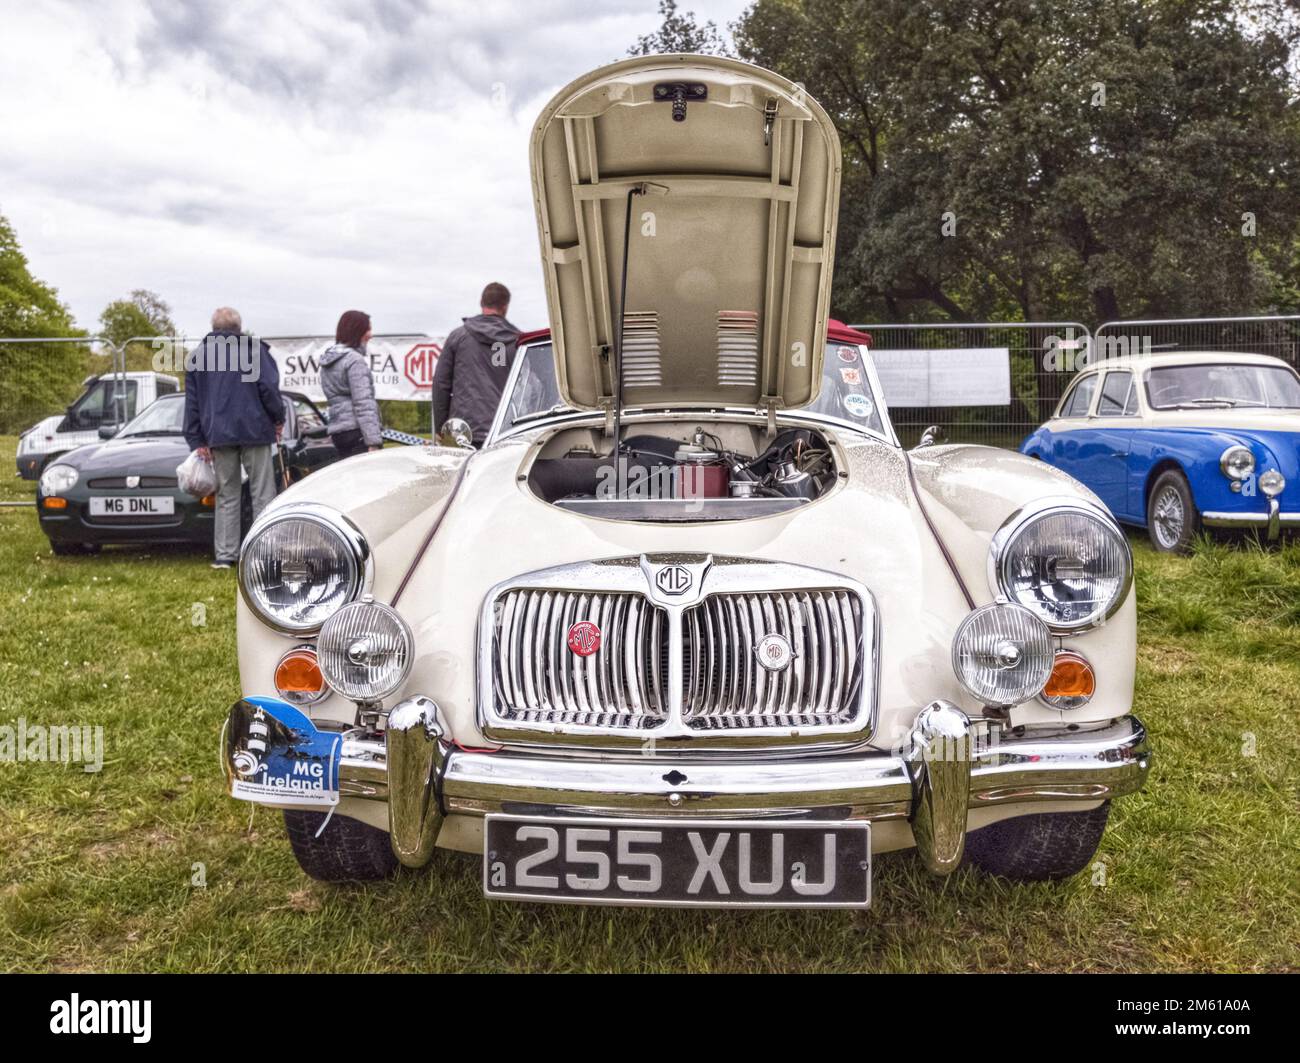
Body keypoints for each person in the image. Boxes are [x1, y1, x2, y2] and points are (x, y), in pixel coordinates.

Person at [183, 307, 284, 569]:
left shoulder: (198, 357)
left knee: (227, 494)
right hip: (255, 429)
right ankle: (264, 552)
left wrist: (197, 439)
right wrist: (278, 418)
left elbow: (192, 403)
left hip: (218, 433)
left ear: (213, 327)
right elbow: (269, 389)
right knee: (262, 492)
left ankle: (225, 555)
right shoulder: (254, 350)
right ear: (239, 327)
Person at [432, 282, 520, 446]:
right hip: (504, 431)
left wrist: (440, 427)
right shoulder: (518, 342)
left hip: (463, 431)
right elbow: (534, 388)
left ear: (481, 302)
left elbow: (440, 384)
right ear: (505, 307)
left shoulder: (458, 337)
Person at [320, 310, 383, 458]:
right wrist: (373, 442)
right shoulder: (354, 360)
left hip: (338, 433)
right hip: (357, 433)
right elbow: (363, 403)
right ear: (357, 330)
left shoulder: (328, 360)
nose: (371, 334)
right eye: (368, 329)